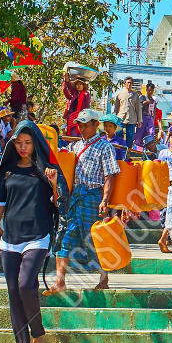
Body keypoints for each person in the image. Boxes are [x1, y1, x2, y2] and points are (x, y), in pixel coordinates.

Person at [0, 121, 68, 343]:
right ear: (12, 144)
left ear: (35, 144)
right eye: (18, 143)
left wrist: (52, 183)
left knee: (25, 284)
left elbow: (59, 204)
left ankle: (38, 334)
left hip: (38, 236)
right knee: (13, 290)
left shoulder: (46, 170)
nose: (23, 147)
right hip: (10, 239)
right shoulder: (6, 171)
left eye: (28, 143)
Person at [50, 108, 120, 292]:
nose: (81, 129)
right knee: (64, 238)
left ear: (96, 125)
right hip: (75, 199)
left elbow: (110, 176)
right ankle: (60, 282)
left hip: (93, 196)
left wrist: (105, 199)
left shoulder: (106, 147)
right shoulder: (75, 147)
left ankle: (104, 278)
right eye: (79, 125)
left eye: (85, 125)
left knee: (95, 239)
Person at [114, 76, 142, 155]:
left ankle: (127, 153)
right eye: (128, 82)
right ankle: (118, 152)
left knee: (130, 137)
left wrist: (139, 120)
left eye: (131, 83)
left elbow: (138, 109)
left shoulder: (135, 95)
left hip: (132, 118)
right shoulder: (120, 94)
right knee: (119, 135)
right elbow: (116, 107)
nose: (129, 84)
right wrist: (115, 117)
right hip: (120, 117)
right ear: (124, 84)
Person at [61, 72, 91, 137]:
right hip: (72, 117)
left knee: (79, 134)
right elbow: (68, 87)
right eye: (77, 84)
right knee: (71, 134)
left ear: (83, 85)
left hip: (81, 117)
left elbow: (87, 106)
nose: (78, 86)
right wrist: (66, 80)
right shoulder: (74, 93)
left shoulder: (86, 94)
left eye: (80, 84)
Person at [138, 81, 160, 148]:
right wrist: (145, 102)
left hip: (150, 118)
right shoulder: (142, 97)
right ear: (147, 90)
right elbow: (138, 107)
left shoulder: (153, 100)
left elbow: (154, 110)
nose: (150, 92)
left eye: (152, 91)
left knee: (151, 132)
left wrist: (153, 118)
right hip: (143, 117)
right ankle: (139, 147)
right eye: (149, 90)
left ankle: (149, 145)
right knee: (141, 132)